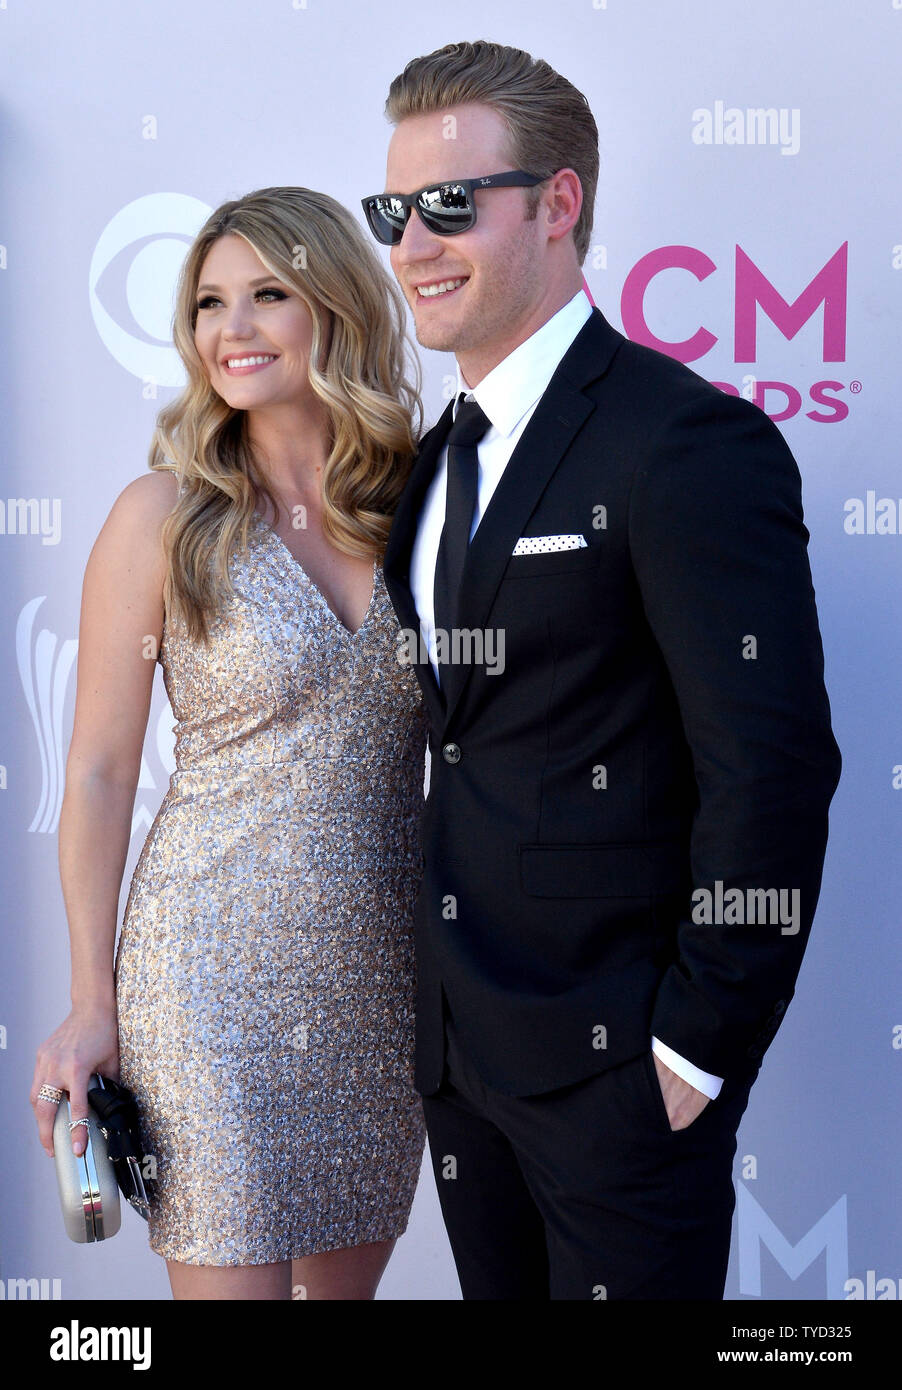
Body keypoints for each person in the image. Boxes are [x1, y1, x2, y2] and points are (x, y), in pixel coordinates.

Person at [363, 40, 843, 1299]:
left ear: (558, 203)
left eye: (452, 205)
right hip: (462, 1066)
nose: (414, 242)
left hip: (620, 1076)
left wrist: (693, 1047)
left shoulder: (682, 441)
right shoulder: (431, 461)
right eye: (394, 211)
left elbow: (774, 765)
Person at [30, 186, 428, 1300]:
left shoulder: (423, 505)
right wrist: (91, 998)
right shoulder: (163, 515)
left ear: (336, 308)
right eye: (208, 302)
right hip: (203, 969)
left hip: (378, 976)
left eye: (267, 295)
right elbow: (102, 774)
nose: (231, 328)